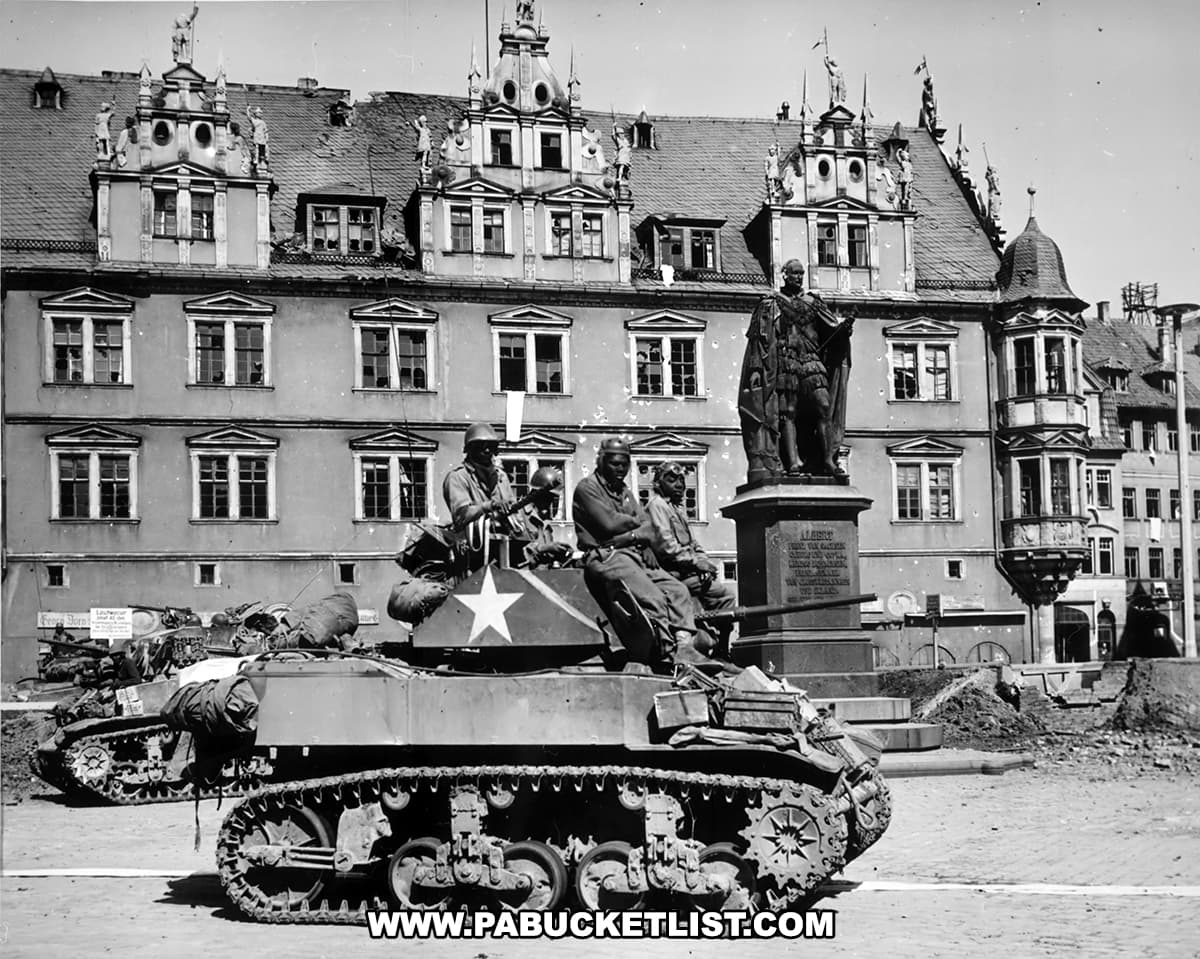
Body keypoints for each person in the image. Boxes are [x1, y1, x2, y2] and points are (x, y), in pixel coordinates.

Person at [572, 438, 707, 668]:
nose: (621, 469)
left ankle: (685, 648)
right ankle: (664, 653)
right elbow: (609, 524)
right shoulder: (588, 488)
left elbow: (650, 527)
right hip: (606, 556)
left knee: (678, 590)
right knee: (652, 597)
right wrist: (638, 529)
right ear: (602, 461)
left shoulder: (623, 491)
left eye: (625, 464)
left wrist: (638, 538)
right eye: (615, 463)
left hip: (630, 553)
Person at [737, 259, 852, 480]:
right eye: (794, 273)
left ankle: (828, 459)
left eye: (801, 273)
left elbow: (831, 332)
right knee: (787, 411)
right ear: (785, 275)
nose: (799, 277)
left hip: (811, 361)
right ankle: (793, 461)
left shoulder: (814, 302)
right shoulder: (771, 302)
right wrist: (754, 370)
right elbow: (757, 341)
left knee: (823, 405)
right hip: (785, 360)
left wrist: (843, 331)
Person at [644, 461, 735, 653]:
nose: (679, 485)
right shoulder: (657, 506)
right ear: (659, 484)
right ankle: (694, 644)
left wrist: (704, 563)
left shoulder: (677, 510)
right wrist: (696, 563)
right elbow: (666, 547)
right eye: (672, 480)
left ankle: (721, 650)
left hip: (689, 572)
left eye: (682, 480)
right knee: (720, 597)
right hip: (670, 574)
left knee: (726, 597)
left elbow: (694, 544)